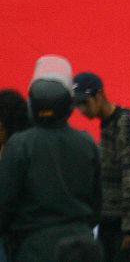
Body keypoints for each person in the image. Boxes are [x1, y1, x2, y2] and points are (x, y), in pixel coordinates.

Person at [0, 68, 101, 262]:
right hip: (81, 243)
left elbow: (6, 200)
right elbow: (98, 199)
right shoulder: (87, 142)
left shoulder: (20, 144)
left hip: (34, 245)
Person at [70, 73, 130, 262]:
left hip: (126, 223)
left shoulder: (127, 123)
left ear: (99, 95)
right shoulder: (107, 123)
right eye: (78, 104)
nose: (81, 109)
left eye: (85, 102)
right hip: (111, 218)